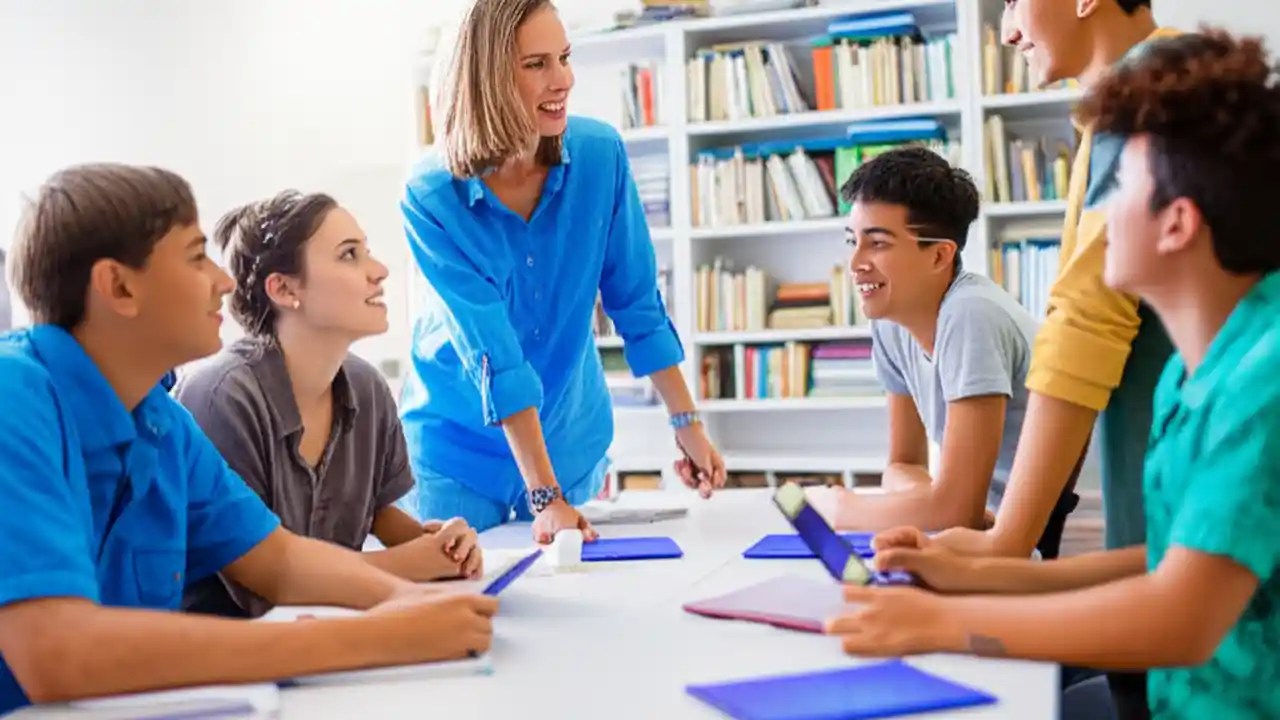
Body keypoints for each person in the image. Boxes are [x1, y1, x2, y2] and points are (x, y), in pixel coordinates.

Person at [828, 30, 1280, 720]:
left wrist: (946, 623)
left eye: (1116, 187)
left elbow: (1182, 618)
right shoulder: (1191, 375)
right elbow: (1166, 562)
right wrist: (979, 571)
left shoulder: (1261, 385)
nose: (1096, 211)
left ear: (1177, 224)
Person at [0, 163, 496, 715]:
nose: (225, 281)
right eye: (196, 257)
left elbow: (279, 560)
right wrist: (376, 637)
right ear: (119, 286)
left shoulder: (161, 422)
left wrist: (413, 603)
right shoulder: (13, 396)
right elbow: (57, 653)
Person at [873, 0, 1176, 710]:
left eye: (1012, 1)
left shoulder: (1148, 99)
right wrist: (1005, 561)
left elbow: (1086, 326)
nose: (1007, 30)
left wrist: (1006, 545)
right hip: (1149, 566)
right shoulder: (1129, 99)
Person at [399, 0, 724, 541]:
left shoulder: (600, 156)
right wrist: (544, 496)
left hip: (568, 438)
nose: (564, 80)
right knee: (470, 586)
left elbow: (636, 302)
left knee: (580, 585)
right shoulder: (431, 195)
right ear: (487, 80)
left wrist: (685, 422)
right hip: (456, 451)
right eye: (537, 64)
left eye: (565, 58)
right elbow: (492, 349)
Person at [173, 190, 483, 619]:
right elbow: (261, 587)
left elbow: (378, 513)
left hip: (330, 628)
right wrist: (408, 565)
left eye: (366, 252)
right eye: (349, 255)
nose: (379, 270)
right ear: (284, 289)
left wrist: (441, 545)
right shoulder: (221, 398)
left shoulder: (367, 388)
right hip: (234, 642)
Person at [806, 147, 1079, 557]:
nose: (856, 262)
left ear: (939, 255)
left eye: (877, 243)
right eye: (853, 241)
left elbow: (955, 511)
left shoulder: (971, 313)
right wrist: (936, 500)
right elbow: (903, 466)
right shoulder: (890, 323)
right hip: (995, 533)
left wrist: (840, 508)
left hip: (1060, 541)